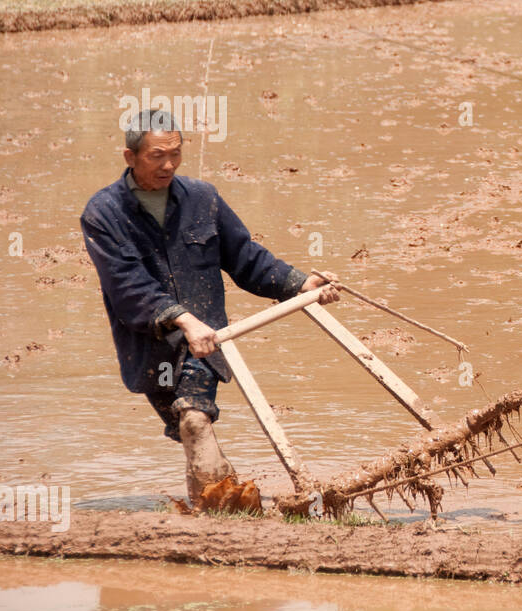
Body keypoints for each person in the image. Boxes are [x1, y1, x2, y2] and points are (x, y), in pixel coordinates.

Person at [80, 109, 339, 504]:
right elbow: (127, 286)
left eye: (176, 154)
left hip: (208, 340)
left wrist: (300, 282)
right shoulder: (104, 214)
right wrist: (183, 320)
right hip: (152, 347)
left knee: (195, 420)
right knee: (188, 429)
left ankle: (222, 515)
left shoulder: (203, 198)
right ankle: (226, 502)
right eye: (156, 156)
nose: (168, 164)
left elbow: (246, 258)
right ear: (130, 157)